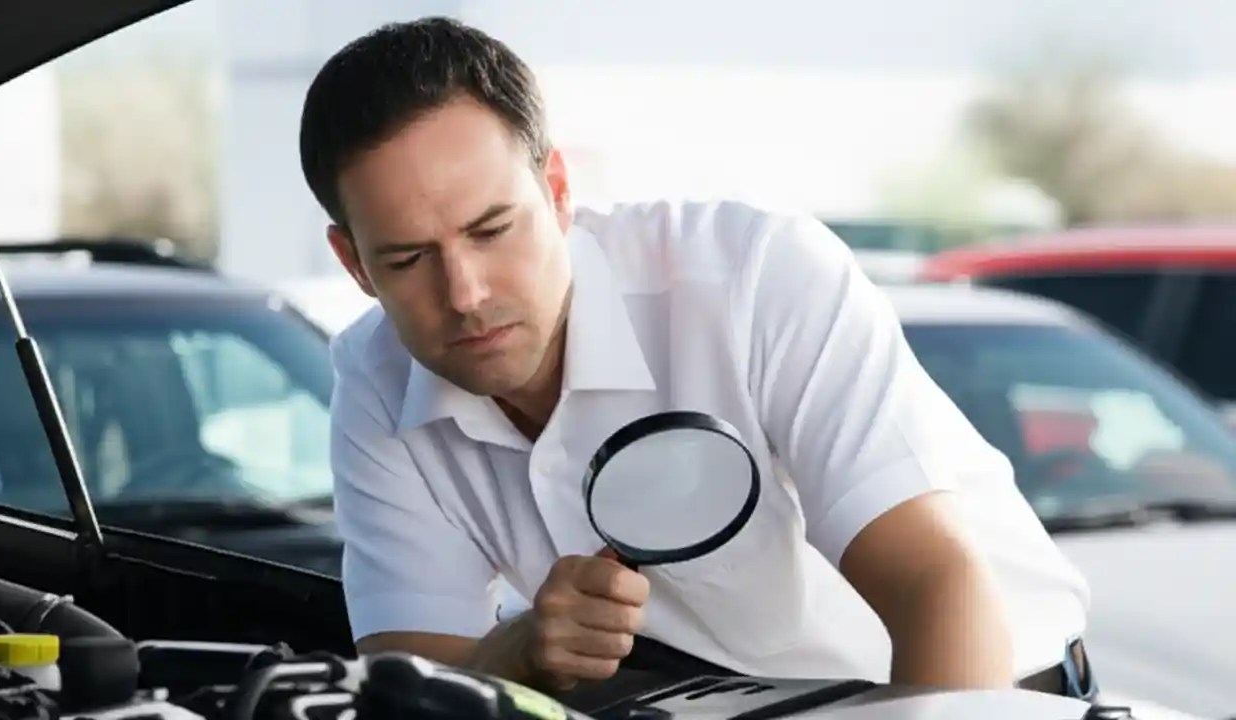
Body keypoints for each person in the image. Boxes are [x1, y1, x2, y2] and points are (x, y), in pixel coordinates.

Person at [297, 16, 1094, 699]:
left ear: (559, 190)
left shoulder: (754, 278)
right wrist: (523, 650)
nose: (464, 292)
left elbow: (937, 584)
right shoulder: (374, 382)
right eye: (406, 260)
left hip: (992, 696)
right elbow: (411, 681)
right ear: (354, 264)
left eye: (492, 229)